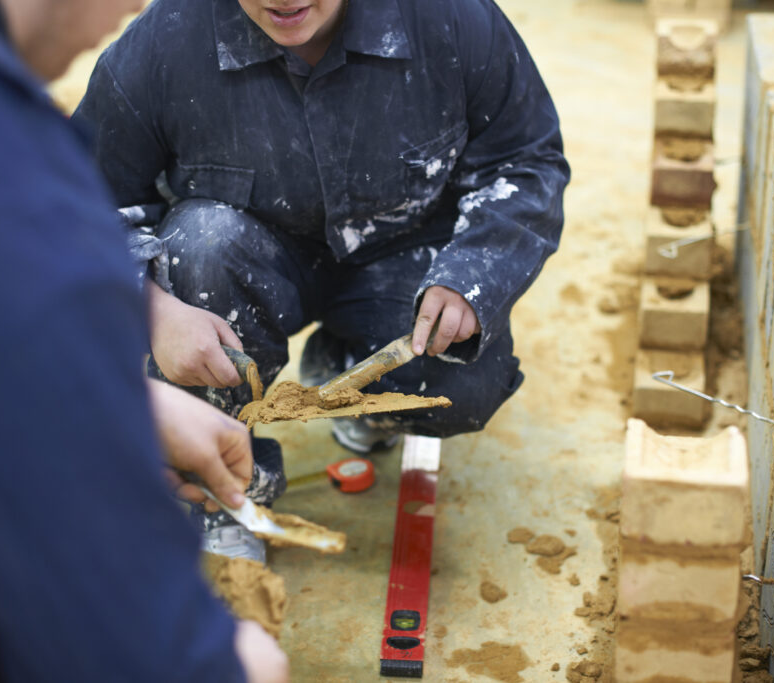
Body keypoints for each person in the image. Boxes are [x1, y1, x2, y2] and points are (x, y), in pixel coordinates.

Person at [0, 0, 288, 680]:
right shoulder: (8, 203)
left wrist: (115, 402)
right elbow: (136, 651)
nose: (135, 7)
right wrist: (230, 662)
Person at [75, 0, 570, 559]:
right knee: (202, 244)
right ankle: (223, 493)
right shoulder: (163, 43)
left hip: (399, 253)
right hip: (237, 263)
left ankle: (347, 369)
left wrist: (469, 278)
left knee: (463, 382)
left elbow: (525, 162)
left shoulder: (450, 19)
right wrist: (154, 308)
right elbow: (77, 204)